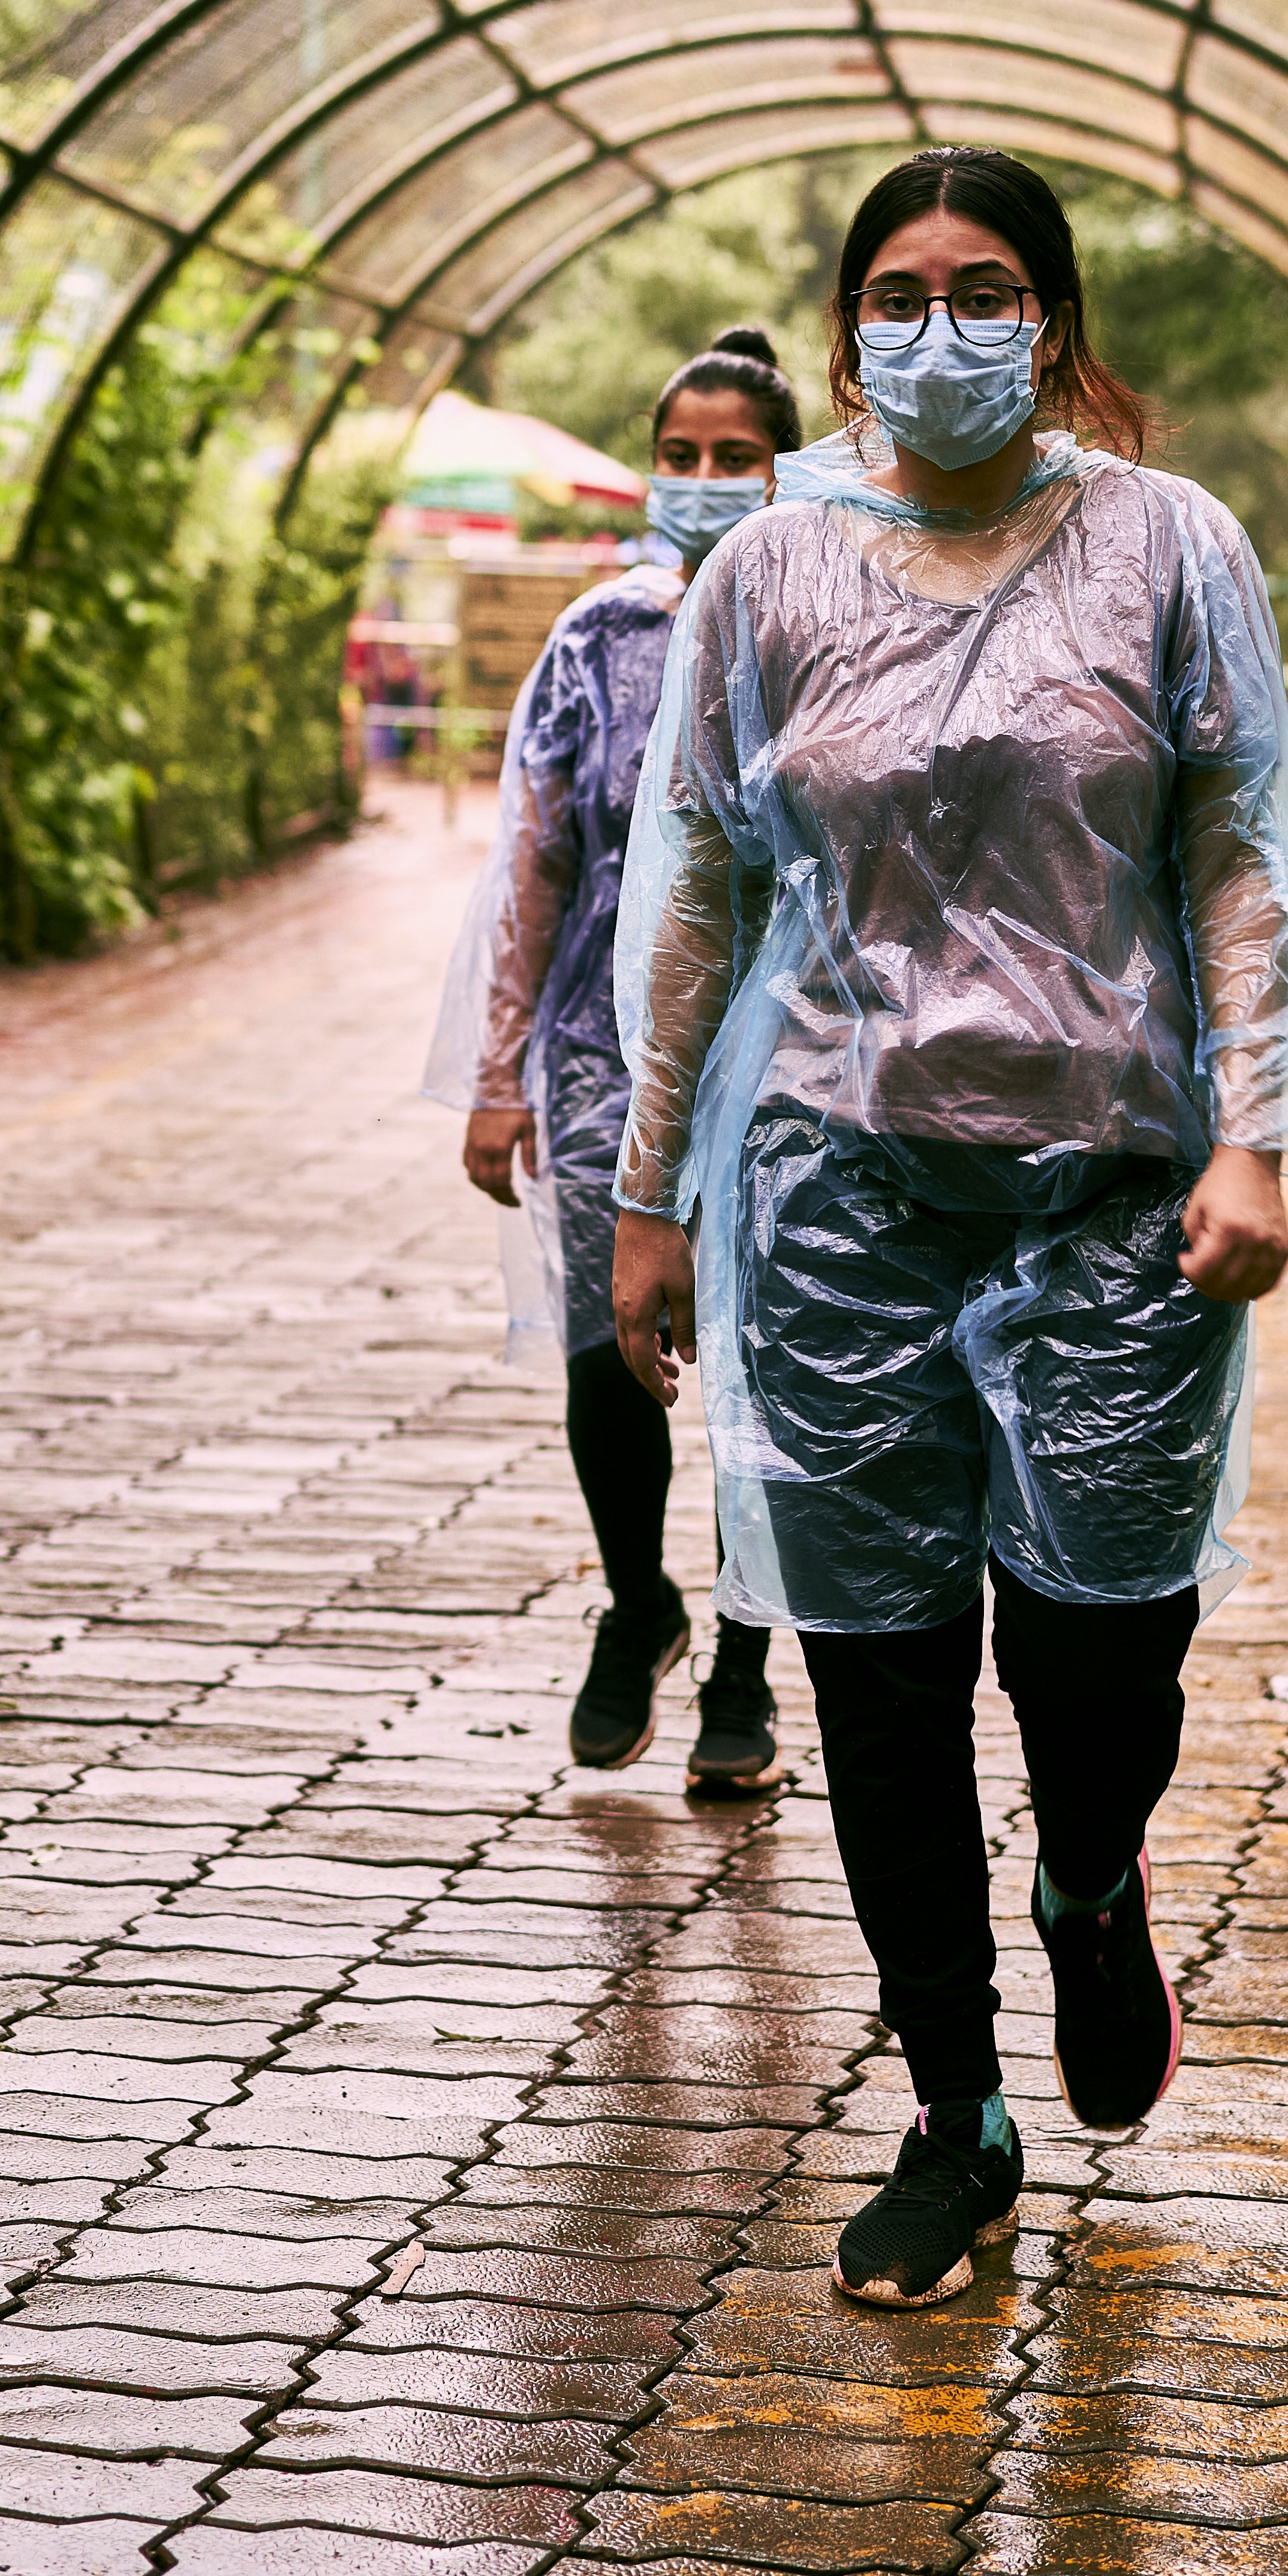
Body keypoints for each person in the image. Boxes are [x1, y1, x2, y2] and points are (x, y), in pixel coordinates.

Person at [610, 150, 1288, 2309]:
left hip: (1118, 1185)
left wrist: (1258, 1135)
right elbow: (701, 885)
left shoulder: (1170, 548)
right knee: (880, 1675)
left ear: (1058, 321)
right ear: (849, 339)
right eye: (902, 293)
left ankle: (1092, 1882)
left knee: (1100, 1642)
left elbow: (1240, 849)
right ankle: (955, 2109)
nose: (944, 326)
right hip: (837, 1184)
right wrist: (648, 1191)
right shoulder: (769, 571)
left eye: (988, 286)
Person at [427, 329, 804, 1788]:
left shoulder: (819, 619)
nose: (703, 483)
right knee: (610, 1345)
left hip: (777, 1050)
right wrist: (495, 1064)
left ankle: (744, 1664)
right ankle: (636, 1598)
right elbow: (533, 856)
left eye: (734, 460)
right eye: (681, 457)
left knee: (760, 1358)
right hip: (596, 1051)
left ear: (787, 472)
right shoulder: (596, 637)